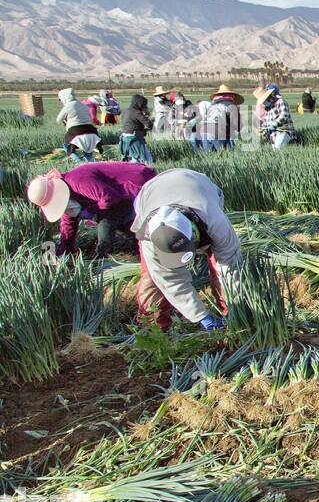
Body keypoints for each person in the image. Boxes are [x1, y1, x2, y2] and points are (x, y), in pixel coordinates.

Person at [130, 169, 240, 332]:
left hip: (198, 186)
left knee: (221, 267)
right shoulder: (149, 238)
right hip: (149, 195)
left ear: (193, 234)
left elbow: (230, 266)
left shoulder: (214, 221)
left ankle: (232, 317)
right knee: (152, 280)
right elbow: (169, 280)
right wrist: (200, 315)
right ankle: (153, 331)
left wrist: (236, 305)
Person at [28, 162, 156, 259]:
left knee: (106, 221)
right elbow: (68, 225)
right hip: (118, 197)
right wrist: (65, 252)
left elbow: (109, 198)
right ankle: (142, 247)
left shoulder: (77, 181)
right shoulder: (68, 199)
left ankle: (103, 256)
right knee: (117, 221)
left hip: (138, 182)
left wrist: (91, 212)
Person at [56, 88, 100, 162]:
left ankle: (78, 162)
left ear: (64, 97)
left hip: (76, 132)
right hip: (91, 132)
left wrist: (66, 121)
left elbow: (58, 120)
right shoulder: (84, 105)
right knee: (88, 153)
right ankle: (91, 165)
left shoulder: (68, 106)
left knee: (67, 147)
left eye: (61, 99)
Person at [255, 84, 296, 150]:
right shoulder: (268, 107)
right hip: (273, 134)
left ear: (268, 97)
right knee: (276, 152)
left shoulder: (280, 101)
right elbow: (266, 121)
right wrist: (263, 128)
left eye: (264, 100)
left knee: (278, 147)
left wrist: (273, 125)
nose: (263, 103)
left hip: (284, 131)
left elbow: (284, 115)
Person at [118, 94, 155, 163]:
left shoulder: (125, 111)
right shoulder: (136, 112)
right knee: (142, 159)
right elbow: (149, 124)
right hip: (134, 138)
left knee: (133, 158)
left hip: (125, 137)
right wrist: (151, 120)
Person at [206, 84, 244, 152]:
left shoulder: (212, 105)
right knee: (226, 155)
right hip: (218, 133)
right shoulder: (231, 105)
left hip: (205, 133)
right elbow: (237, 124)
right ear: (232, 96)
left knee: (210, 157)